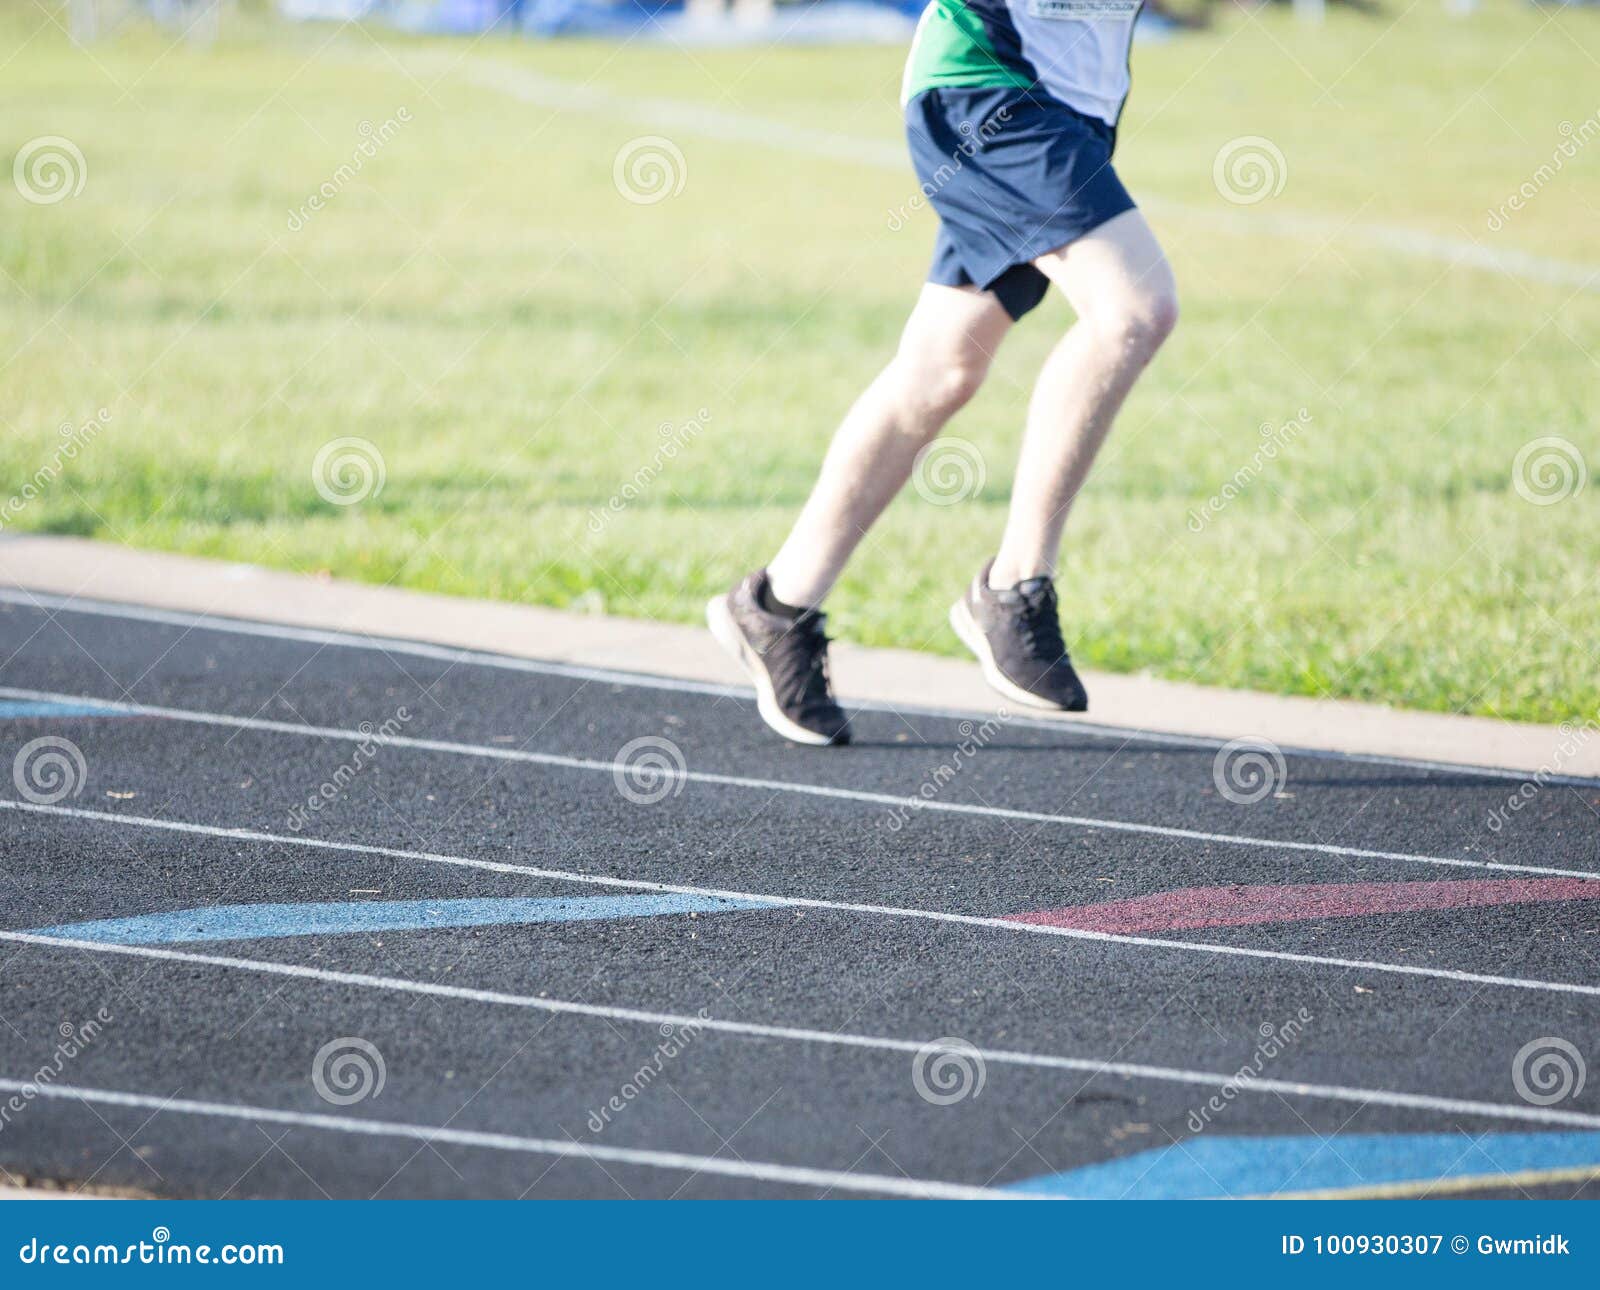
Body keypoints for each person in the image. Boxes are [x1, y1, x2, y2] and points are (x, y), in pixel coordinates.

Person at [708, 0, 1179, 746]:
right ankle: (1014, 587)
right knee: (1132, 311)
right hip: (987, 87)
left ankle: (776, 607)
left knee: (943, 368)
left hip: (1073, 105)